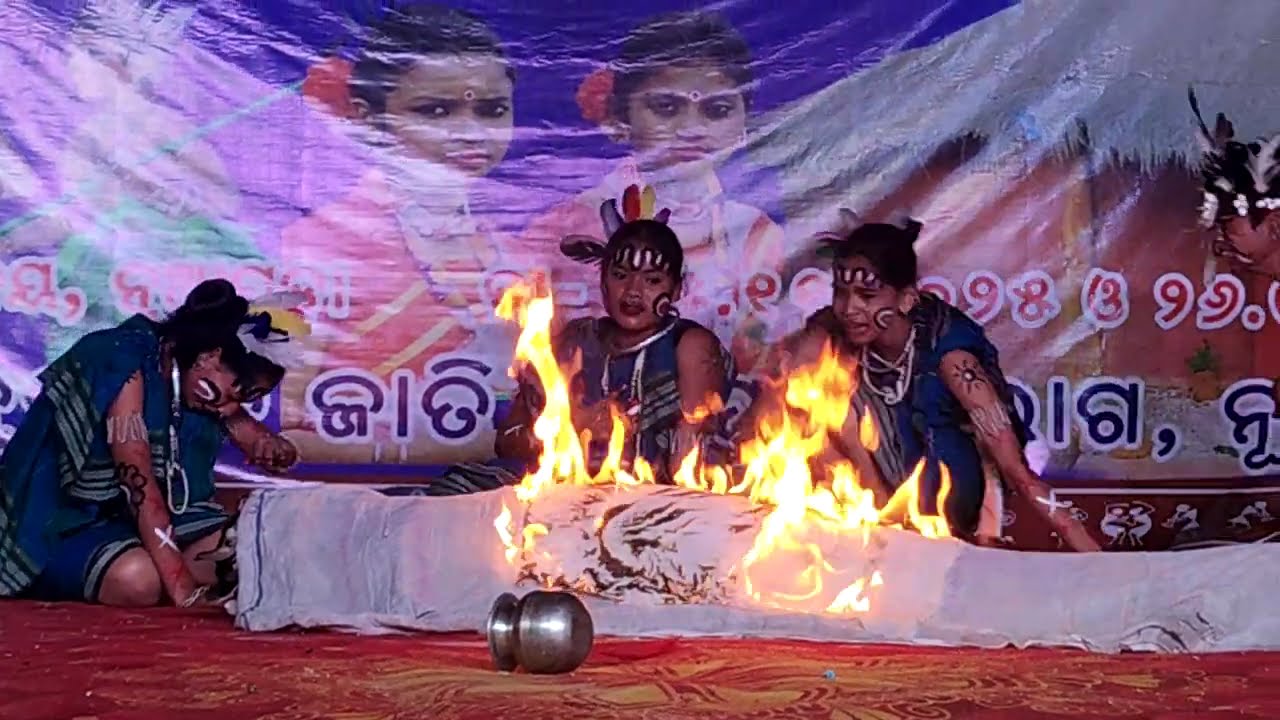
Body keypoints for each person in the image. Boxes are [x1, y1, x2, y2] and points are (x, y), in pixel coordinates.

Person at [749, 214, 1099, 551]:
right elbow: (783, 418)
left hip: (945, 509)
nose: (850, 309)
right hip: (866, 513)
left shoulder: (951, 357)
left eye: (867, 297)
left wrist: (1092, 556)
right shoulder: (828, 339)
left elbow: (1016, 471)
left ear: (906, 299)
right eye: (841, 293)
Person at [280, 3, 521, 466]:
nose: (469, 133)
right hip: (346, 507)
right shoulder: (319, 244)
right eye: (435, 111)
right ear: (369, 119)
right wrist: (426, 452)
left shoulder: (512, 252)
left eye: (492, 111)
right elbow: (279, 434)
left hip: (492, 509)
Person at [412, 185, 735, 494]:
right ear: (602, 279)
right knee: (453, 488)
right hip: (564, 489)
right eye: (620, 275)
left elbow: (693, 454)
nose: (634, 291)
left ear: (677, 289)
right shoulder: (575, 342)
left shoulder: (691, 345)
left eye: (652, 280)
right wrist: (562, 424)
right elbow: (508, 440)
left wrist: (622, 435)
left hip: (653, 497)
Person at [0, 279, 305, 606]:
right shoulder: (122, 362)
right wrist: (183, 589)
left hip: (141, 527)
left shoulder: (193, 377)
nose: (231, 407)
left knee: (255, 548)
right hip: (63, 523)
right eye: (234, 394)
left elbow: (230, 414)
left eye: (249, 398)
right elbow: (139, 488)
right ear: (208, 357)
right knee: (138, 580)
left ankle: (153, 562)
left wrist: (258, 436)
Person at [521, 11, 784, 375]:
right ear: (621, 116)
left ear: (745, 124)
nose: (691, 129)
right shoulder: (566, 227)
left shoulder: (755, 232)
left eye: (717, 110)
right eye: (666, 107)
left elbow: (764, 361)